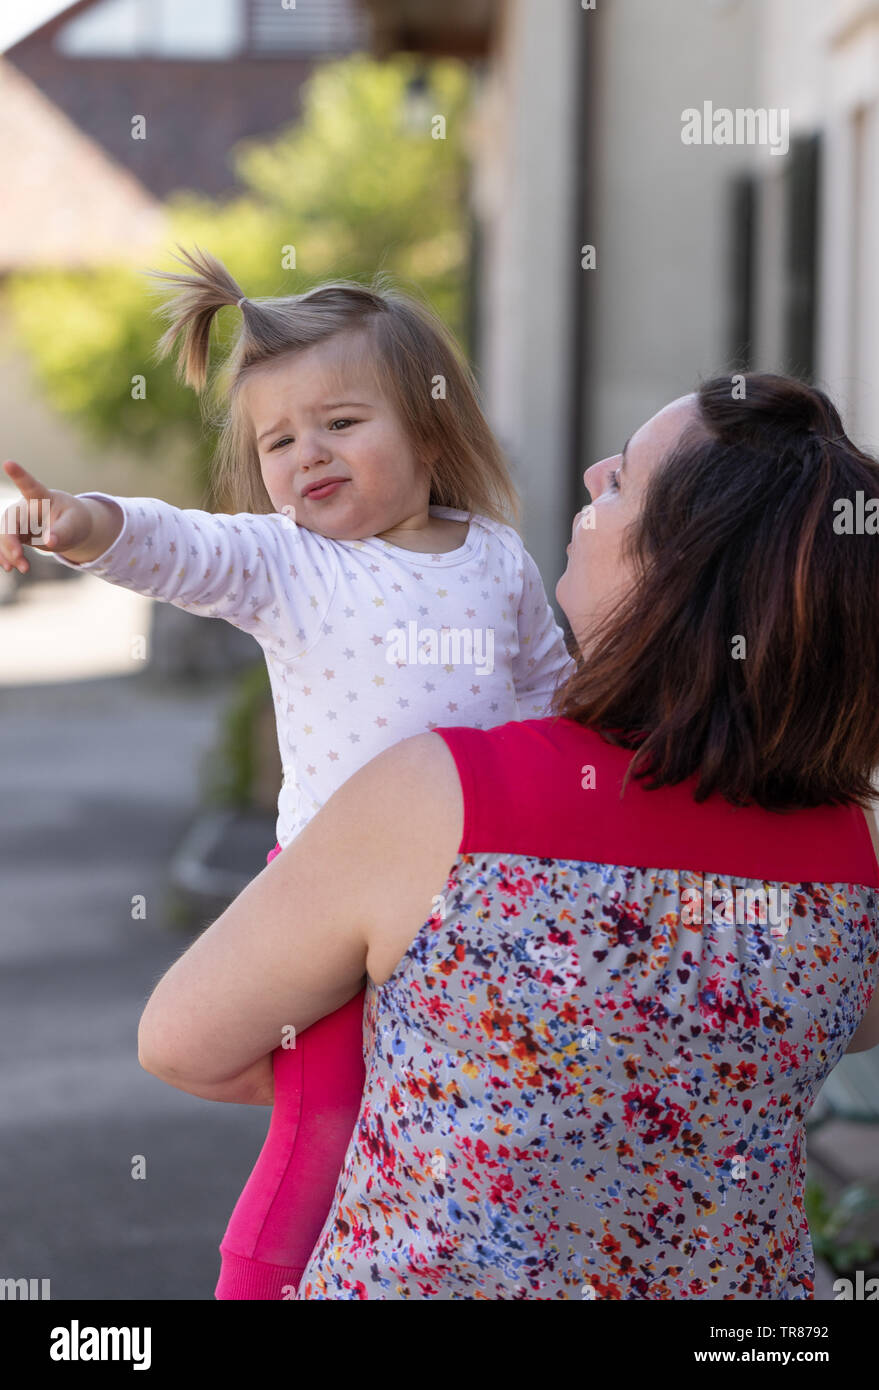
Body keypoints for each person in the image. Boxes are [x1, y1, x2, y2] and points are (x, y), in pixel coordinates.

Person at [135, 371, 879, 1299]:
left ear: (677, 567)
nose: (590, 476)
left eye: (620, 486)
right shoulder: (846, 847)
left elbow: (185, 1038)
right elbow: (846, 1030)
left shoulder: (445, 795)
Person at [0, 244, 575, 1300]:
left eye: (342, 424)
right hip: (327, 910)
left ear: (430, 423)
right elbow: (178, 545)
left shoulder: (495, 555)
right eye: (278, 439)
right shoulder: (289, 560)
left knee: (493, 1139)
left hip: (481, 914)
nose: (307, 453)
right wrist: (83, 523)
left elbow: (552, 696)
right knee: (320, 1133)